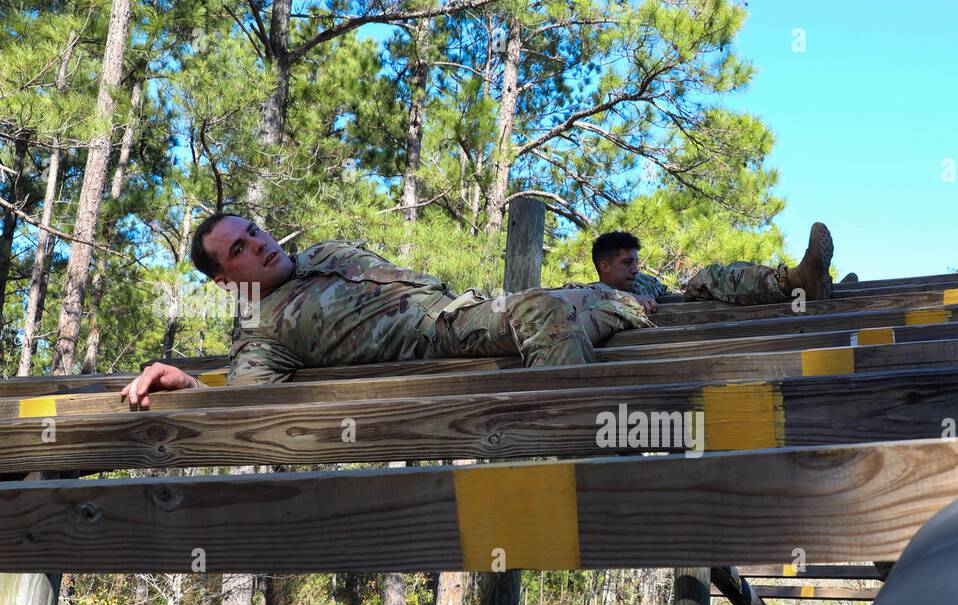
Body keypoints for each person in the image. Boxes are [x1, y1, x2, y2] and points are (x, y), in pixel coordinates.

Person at [121, 213, 653, 407]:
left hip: (463, 307)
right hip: (441, 336)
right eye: (238, 249)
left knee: (609, 303)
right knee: (543, 310)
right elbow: (245, 407)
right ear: (223, 280)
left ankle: (646, 304)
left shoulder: (321, 252)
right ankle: (586, 448)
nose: (258, 244)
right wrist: (189, 387)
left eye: (253, 232)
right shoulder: (260, 332)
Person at [583, 223, 834, 315]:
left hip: (675, 303)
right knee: (707, 276)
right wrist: (626, 298)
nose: (635, 269)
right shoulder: (594, 294)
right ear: (604, 266)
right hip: (668, 317)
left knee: (734, 268)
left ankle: (805, 281)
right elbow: (579, 297)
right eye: (627, 263)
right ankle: (796, 281)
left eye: (636, 261)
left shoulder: (641, 282)